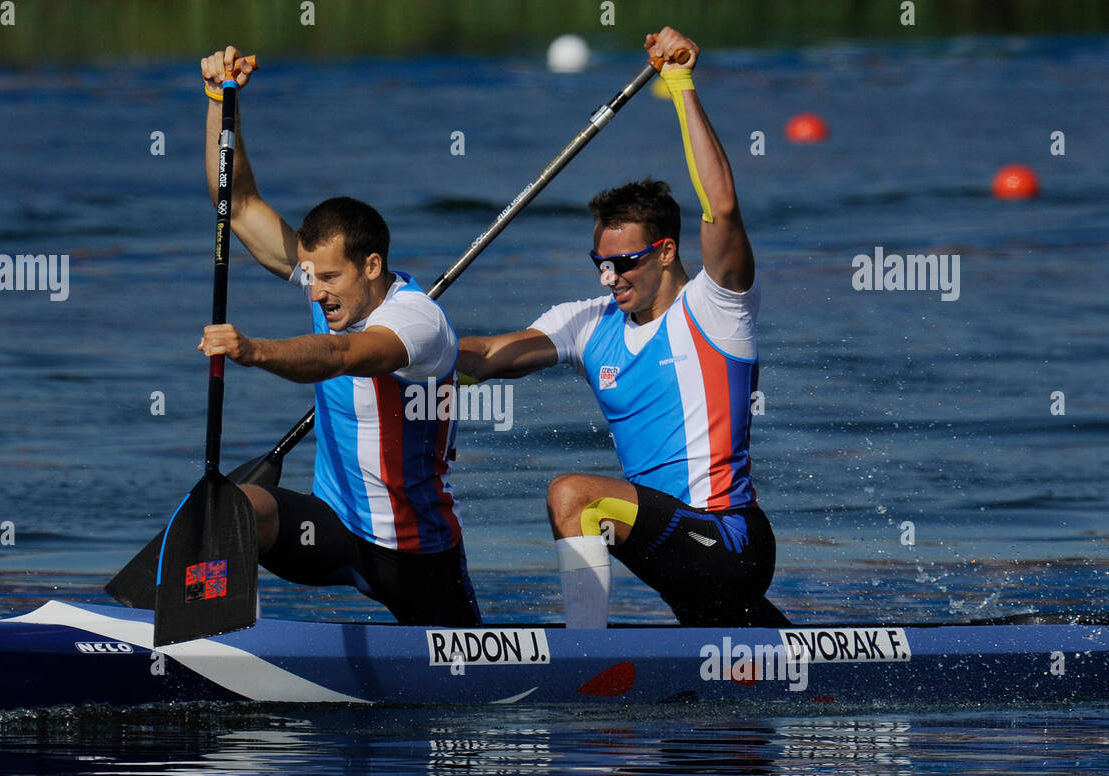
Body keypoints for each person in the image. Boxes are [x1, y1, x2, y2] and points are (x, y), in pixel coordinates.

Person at [457, 27, 789, 628]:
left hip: (730, 542)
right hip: (677, 554)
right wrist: (386, 347)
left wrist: (681, 83)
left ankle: (584, 653)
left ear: (665, 252)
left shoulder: (718, 308)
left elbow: (723, 208)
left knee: (572, 494)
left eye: (625, 262)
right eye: (600, 264)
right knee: (735, 714)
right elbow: (481, 358)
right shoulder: (587, 324)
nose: (610, 278)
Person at [197, 47, 479, 626]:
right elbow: (240, 205)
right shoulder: (327, 284)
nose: (315, 291)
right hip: (331, 530)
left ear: (372, 267)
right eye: (310, 275)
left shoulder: (416, 321)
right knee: (240, 507)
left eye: (329, 278)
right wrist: (220, 100)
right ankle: (206, 631)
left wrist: (253, 350)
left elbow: (341, 354)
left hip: (416, 552)